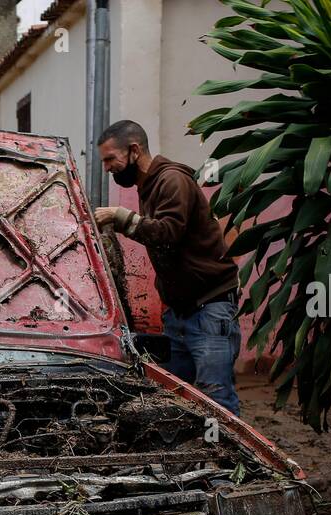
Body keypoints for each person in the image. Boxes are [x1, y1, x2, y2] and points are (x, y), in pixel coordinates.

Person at [94, 120, 242, 416]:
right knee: (178, 398)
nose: (107, 168)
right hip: (180, 313)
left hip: (209, 310)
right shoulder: (148, 186)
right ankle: (193, 459)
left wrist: (120, 216)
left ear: (134, 150)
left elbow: (168, 233)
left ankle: (226, 462)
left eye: (111, 159)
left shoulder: (172, 180)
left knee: (217, 401)